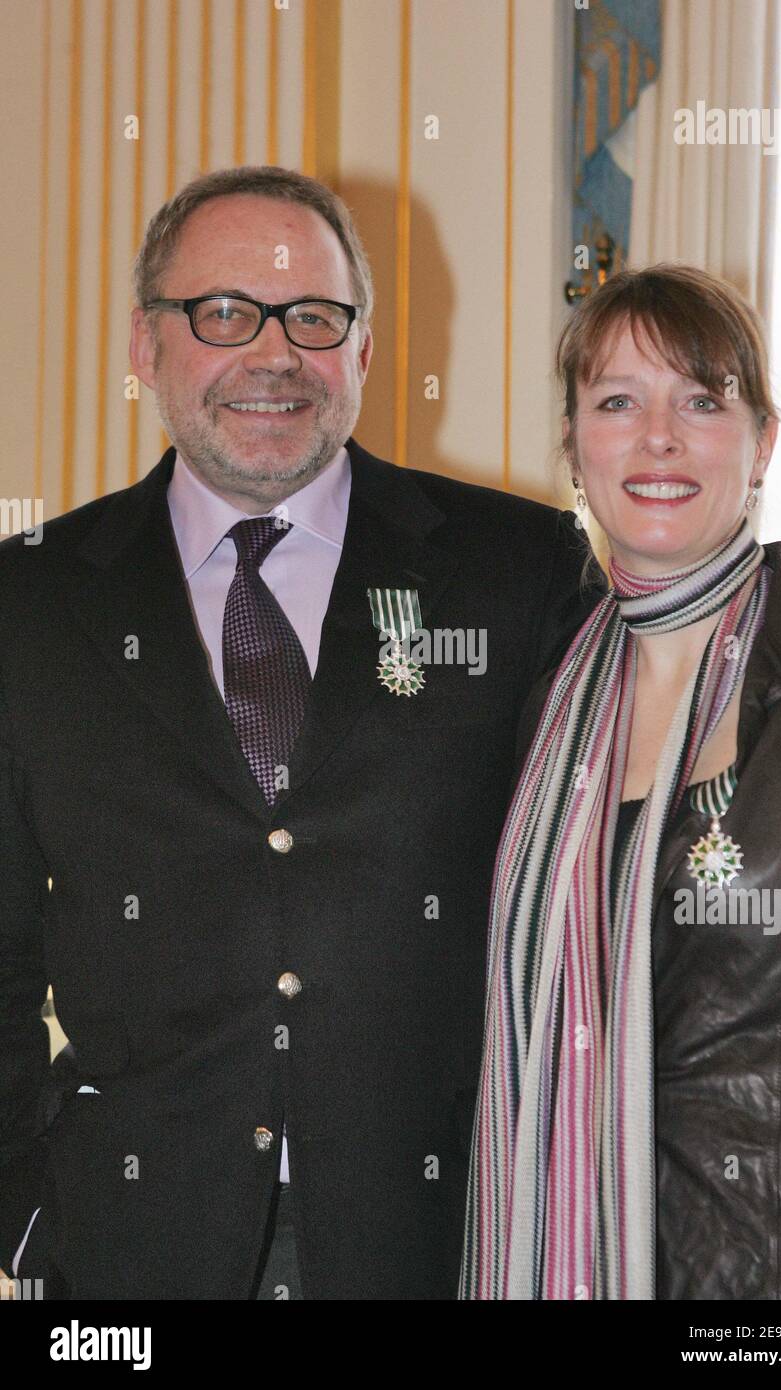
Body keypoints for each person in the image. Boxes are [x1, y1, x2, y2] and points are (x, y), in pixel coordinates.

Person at [0, 165, 605, 1300]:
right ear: (146, 347)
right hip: (128, 1256)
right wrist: (25, 1213)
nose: (272, 355)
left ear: (363, 353)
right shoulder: (26, 605)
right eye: (223, 312)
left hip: (437, 1242)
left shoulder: (520, 574)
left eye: (313, 319)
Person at [460, 263, 781, 1301]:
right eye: (615, 402)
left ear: (761, 441)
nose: (657, 438)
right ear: (572, 446)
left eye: (700, 399)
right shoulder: (539, 687)